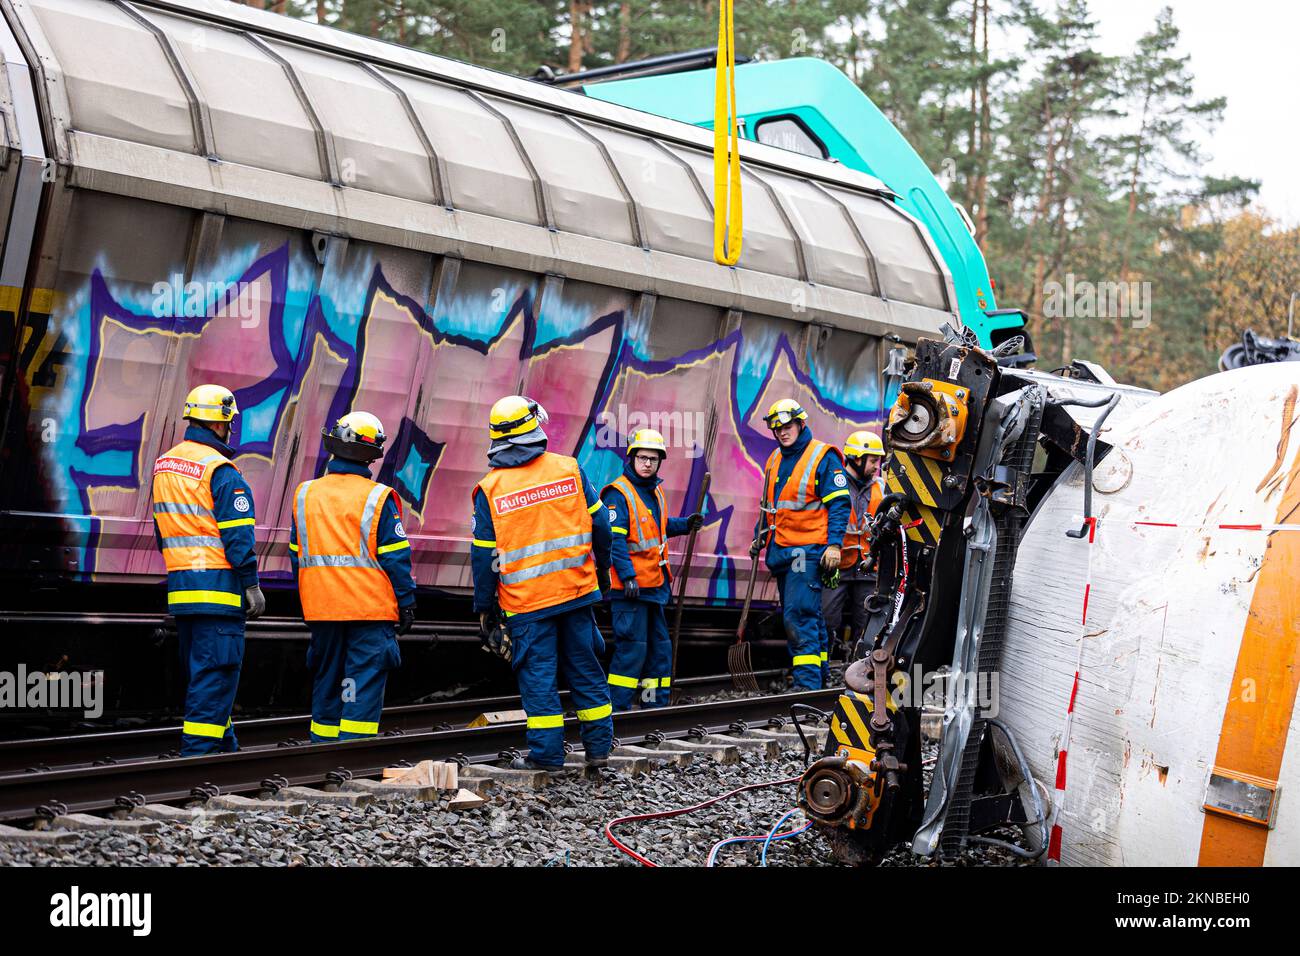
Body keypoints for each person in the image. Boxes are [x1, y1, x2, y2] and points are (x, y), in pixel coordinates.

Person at [470, 395, 615, 771]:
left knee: (539, 679)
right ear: (533, 427)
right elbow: (601, 526)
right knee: (586, 670)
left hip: (527, 604)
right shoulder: (569, 469)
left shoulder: (490, 488)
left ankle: (547, 757)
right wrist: (601, 572)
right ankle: (599, 749)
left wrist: (484, 607)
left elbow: (484, 558)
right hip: (576, 592)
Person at [151, 384, 264, 755]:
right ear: (221, 425)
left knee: (206, 675)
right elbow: (238, 539)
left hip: (183, 592)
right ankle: (196, 759)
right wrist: (251, 584)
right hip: (219, 592)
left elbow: (163, 529)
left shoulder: (166, 465)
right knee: (216, 674)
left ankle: (226, 753)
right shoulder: (221, 471)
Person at [290, 412, 416, 742]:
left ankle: (321, 752)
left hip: (322, 608)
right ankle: (352, 756)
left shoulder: (305, 494)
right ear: (372, 453)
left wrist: (309, 597)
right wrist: (406, 602)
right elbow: (396, 559)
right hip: (368, 610)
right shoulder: (378, 497)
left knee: (329, 679)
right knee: (361, 681)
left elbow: (296, 554)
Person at [601, 429, 703, 710]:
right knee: (632, 651)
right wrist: (628, 577)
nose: (647, 463)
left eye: (653, 459)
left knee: (659, 651)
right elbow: (615, 540)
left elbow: (657, 526)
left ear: (660, 462)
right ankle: (617, 710)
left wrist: (685, 524)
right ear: (632, 458)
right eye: (643, 457)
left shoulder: (653, 491)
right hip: (632, 590)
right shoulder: (618, 494)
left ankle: (653, 708)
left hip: (654, 587)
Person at [752, 399, 851, 689]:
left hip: (805, 552)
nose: (782, 432)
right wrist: (760, 535)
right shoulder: (775, 459)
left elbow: (839, 505)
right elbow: (772, 506)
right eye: (777, 428)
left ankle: (806, 686)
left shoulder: (822, 457)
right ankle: (817, 678)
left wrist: (834, 545)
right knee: (810, 615)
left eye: (787, 426)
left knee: (798, 614)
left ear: (801, 423)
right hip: (781, 549)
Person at [823, 430, 885, 666]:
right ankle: (823, 666)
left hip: (869, 566)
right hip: (838, 564)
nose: (875, 467)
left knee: (867, 622)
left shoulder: (880, 487)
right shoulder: (835, 484)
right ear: (856, 459)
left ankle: (858, 668)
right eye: (872, 461)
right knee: (827, 618)